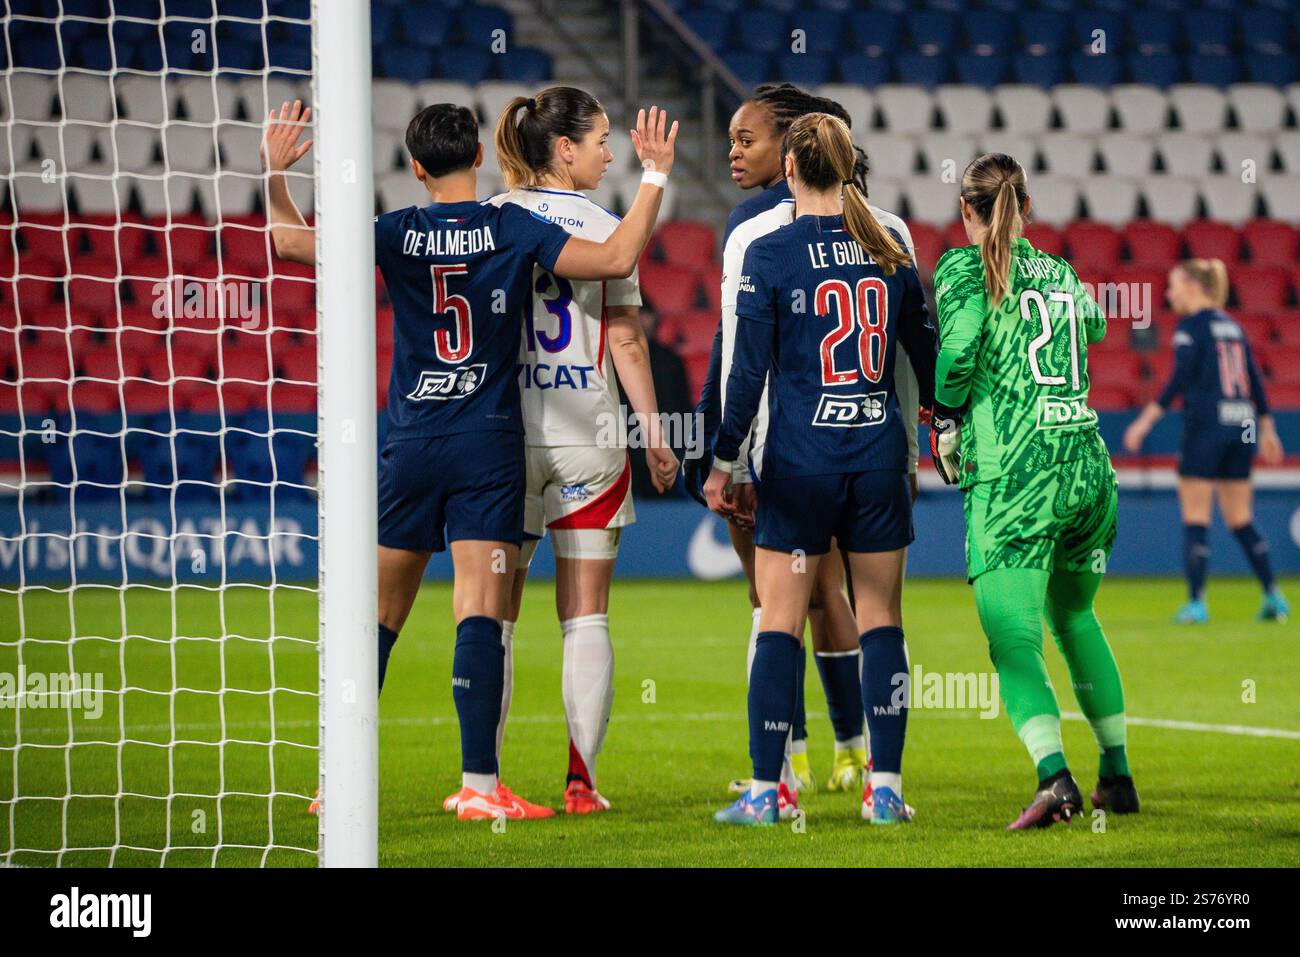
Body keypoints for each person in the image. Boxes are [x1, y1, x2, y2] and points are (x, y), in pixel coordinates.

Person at [262, 98, 678, 821]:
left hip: (411, 440)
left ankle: (335, 780)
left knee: (379, 618)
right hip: (488, 440)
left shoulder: (394, 231)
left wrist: (274, 174)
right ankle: (482, 786)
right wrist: (654, 177)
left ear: (416, 167)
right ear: (478, 157)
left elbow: (289, 245)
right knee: (480, 613)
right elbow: (614, 259)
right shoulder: (507, 224)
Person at [439, 86, 678, 816]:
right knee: (586, 616)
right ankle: (581, 782)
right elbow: (629, 338)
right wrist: (655, 433)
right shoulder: (610, 227)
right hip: (591, 434)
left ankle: (484, 777)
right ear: (564, 148)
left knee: (493, 614)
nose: (611, 151)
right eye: (603, 139)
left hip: (504, 436)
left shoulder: (491, 220)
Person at [687, 83, 924, 808]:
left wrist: (725, 461)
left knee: (778, 617)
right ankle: (884, 788)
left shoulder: (765, 246)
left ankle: (769, 789)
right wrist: (928, 438)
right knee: (882, 617)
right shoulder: (890, 244)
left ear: (791, 168)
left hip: (798, 459)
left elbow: (745, 368)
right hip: (879, 453)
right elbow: (926, 357)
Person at [931, 152, 1138, 830]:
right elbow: (1096, 327)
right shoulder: (1060, 271)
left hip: (1018, 476)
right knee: (1075, 617)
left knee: (1014, 639)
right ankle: (1118, 772)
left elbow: (958, 351)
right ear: (1027, 209)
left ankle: (1055, 777)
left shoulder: (962, 268)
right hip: (1086, 466)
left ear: (967, 210)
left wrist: (945, 414)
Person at [1123, 260, 1288, 623]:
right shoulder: (1234, 328)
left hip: (1207, 427)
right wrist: (1268, 427)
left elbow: (1177, 381)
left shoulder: (1191, 329)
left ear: (1194, 288)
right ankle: (1274, 596)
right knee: (1241, 518)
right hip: (1241, 425)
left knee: (1196, 517)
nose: (1169, 295)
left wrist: (1144, 423)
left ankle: (1197, 603)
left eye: (1173, 286)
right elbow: (1255, 381)